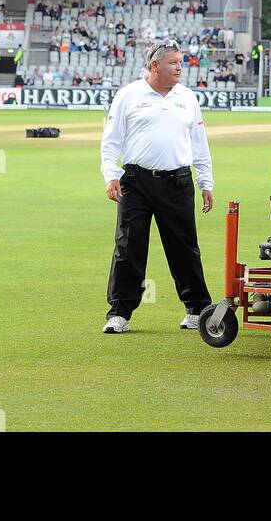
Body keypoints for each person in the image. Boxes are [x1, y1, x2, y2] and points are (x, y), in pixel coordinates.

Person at [100, 39, 215, 334]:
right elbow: (111, 140)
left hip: (177, 181)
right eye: (174, 63)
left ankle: (197, 309)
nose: (180, 67)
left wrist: (206, 181)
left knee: (184, 247)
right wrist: (110, 175)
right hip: (136, 182)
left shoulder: (187, 98)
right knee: (128, 246)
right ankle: (119, 313)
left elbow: (199, 145)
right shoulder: (128, 95)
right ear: (155, 66)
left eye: (181, 62)